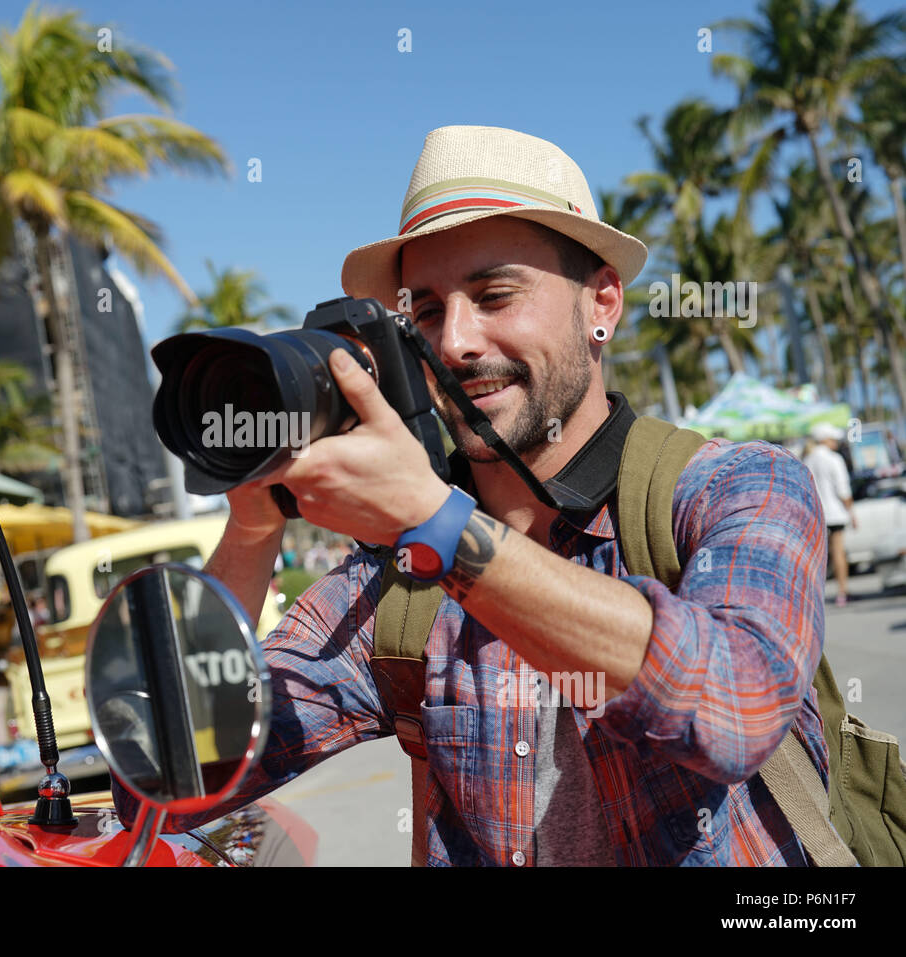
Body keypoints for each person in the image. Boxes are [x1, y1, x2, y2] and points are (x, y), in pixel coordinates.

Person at [115, 126, 829, 866]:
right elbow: (165, 781)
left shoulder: (733, 487)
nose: (455, 339)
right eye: (424, 312)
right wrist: (253, 527)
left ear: (603, 303)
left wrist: (440, 525)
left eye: (494, 294)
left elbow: (736, 705)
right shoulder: (395, 585)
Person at [804, 422, 857, 606]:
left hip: (815, 515)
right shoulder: (834, 458)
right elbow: (843, 489)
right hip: (835, 513)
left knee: (819, 557)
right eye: (833, 438)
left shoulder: (807, 460)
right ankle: (843, 592)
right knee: (838, 553)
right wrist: (851, 512)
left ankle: (816, 595)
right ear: (825, 439)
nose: (836, 441)